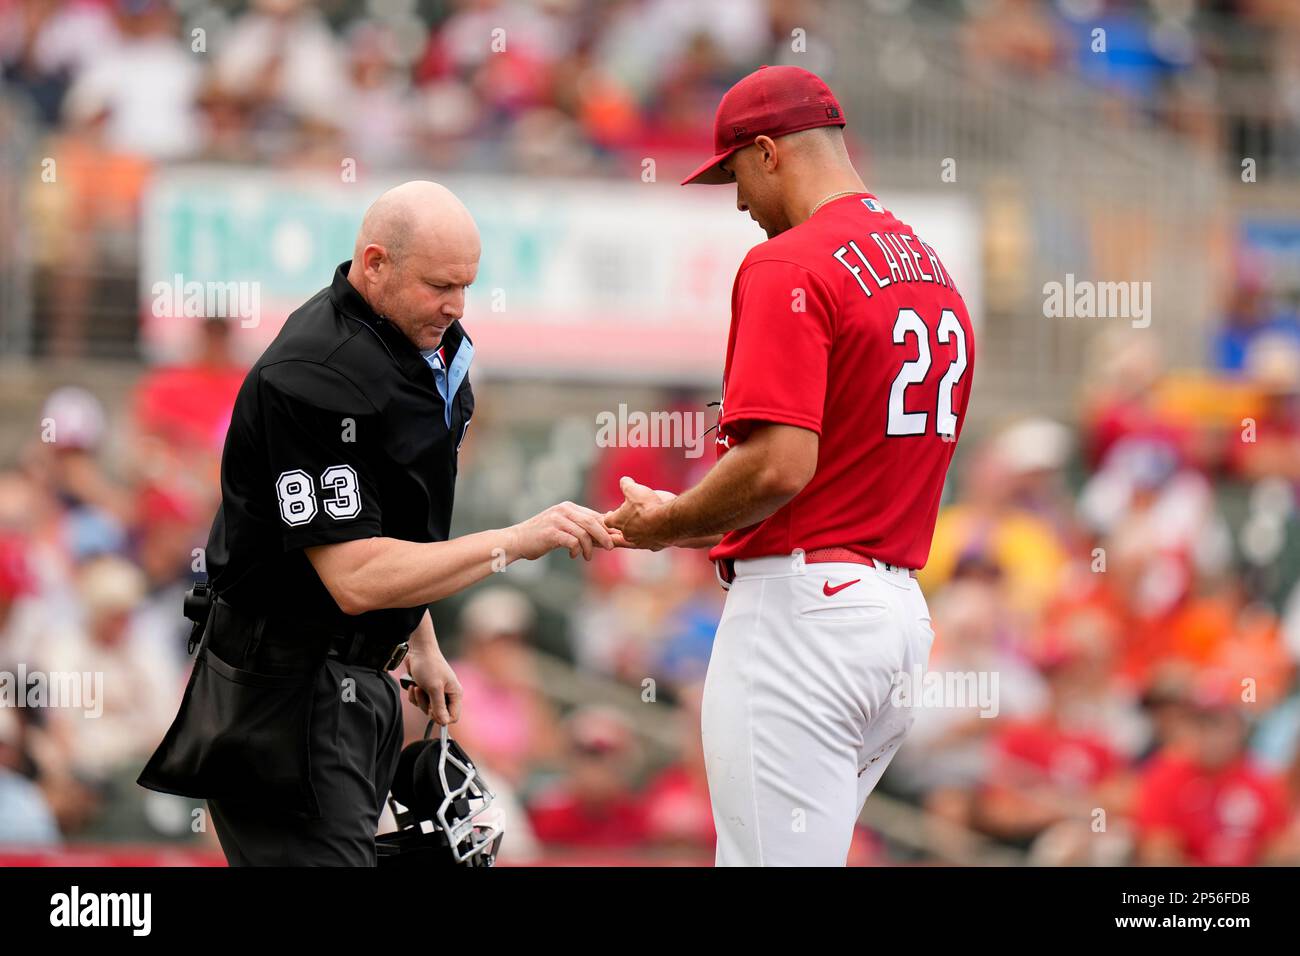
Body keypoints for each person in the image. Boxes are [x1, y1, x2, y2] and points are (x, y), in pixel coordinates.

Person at [139, 181, 614, 866]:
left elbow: (389, 525)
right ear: (375, 262)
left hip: (360, 686)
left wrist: (420, 642)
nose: (455, 305)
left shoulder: (420, 349)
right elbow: (354, 576)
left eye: (466, 286)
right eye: (438, 285)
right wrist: (516, 540)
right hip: (285, 699)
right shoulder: (310, 376)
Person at [605, 67, 976, 866]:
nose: (738, 202)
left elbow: (778, 467)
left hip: (803, 612)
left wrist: (667, 523)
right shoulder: (932, 268)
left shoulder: (790, 262)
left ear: (768, 153)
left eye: (735, 173)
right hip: (897, 618)